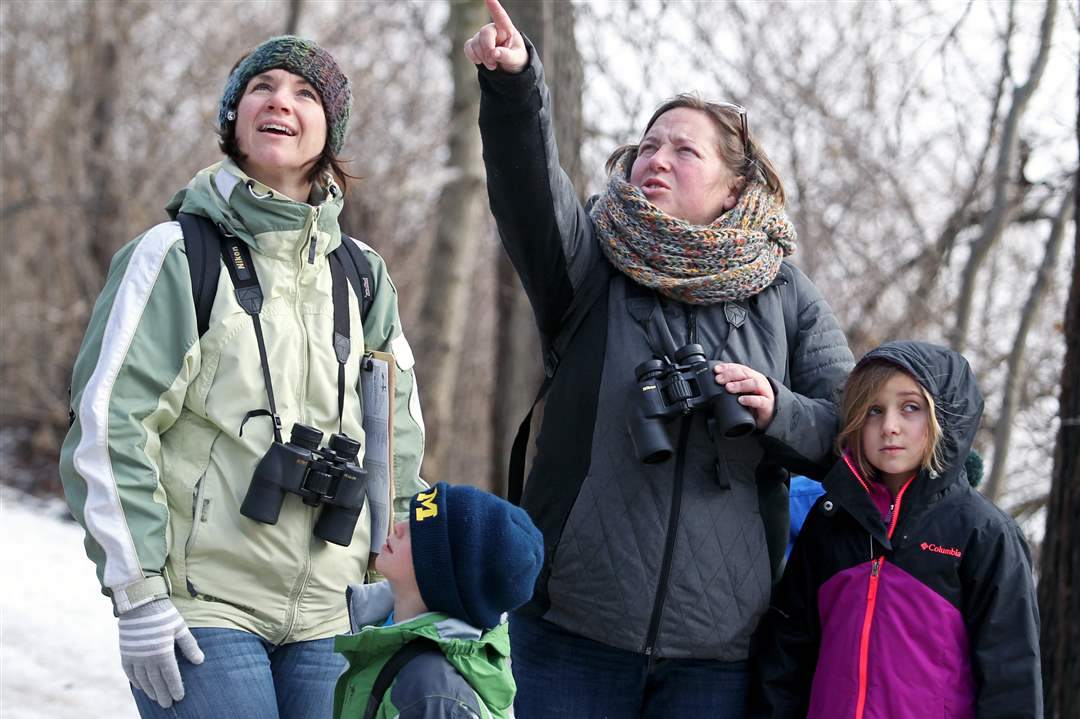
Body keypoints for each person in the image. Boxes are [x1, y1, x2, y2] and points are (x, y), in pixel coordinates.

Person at [464, 1, 854, 715]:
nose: (657, 159)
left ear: (735, 188)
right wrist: (516, 88)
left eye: (683, 150)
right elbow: (527, 195)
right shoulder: (590, 260)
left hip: (718, 654)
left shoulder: (786, 293)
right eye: (648, 145)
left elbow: (848, 430)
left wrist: (777, 410)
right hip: (570, 631)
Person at [59, 35, 426, 718]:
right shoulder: (176, 255)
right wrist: (138, 591)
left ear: (330, 130)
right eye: (262, 87)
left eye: (305, 93)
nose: (280, 101)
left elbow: (395, 441)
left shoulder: (363, 274)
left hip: (332, 613)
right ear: (233, 115)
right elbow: (110, 425)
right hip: (205, 602)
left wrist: (402, 581)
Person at [755, 341, 1042, 718]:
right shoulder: (829, 522)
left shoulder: (984, 533)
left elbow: (1012, 678)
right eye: (874, 410)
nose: (889, 426)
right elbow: (785, 657)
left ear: (946, 417)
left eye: (910, 408)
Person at [333, 482, 543, 719]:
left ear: (440, 576)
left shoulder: (433, 693)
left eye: (418, 533)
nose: (399, 527)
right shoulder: (387, 628)